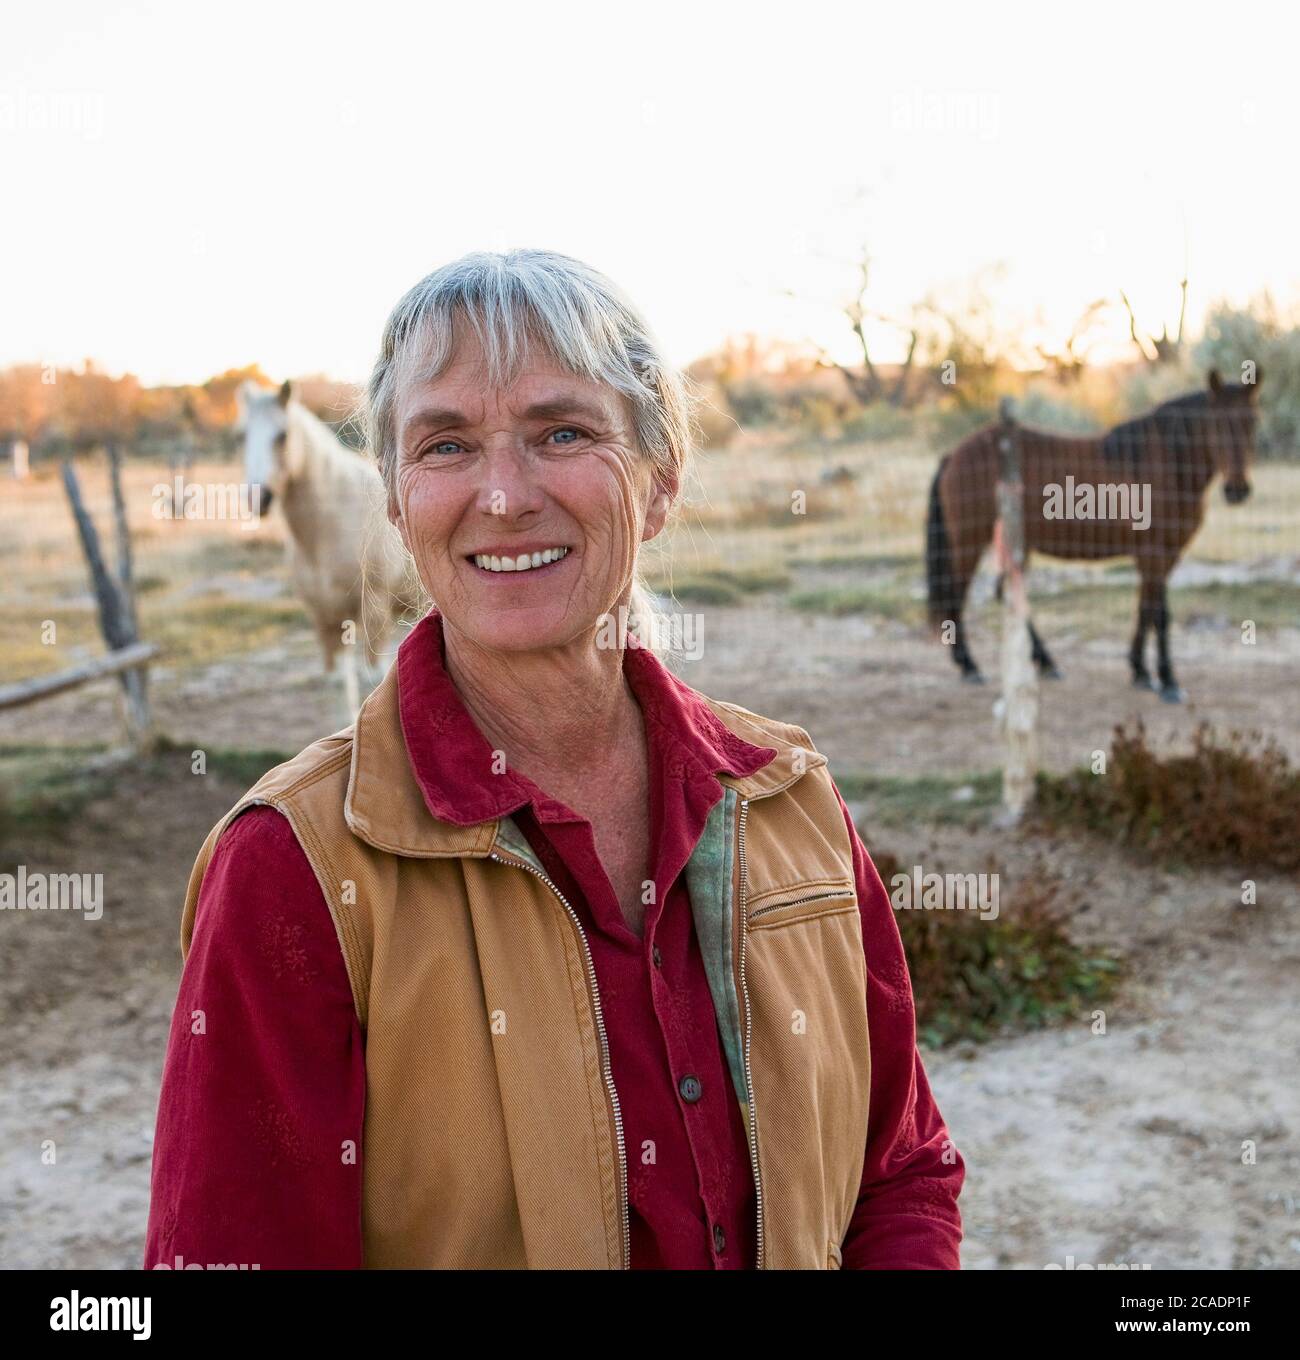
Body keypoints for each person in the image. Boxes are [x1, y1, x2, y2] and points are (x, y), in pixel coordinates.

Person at [144, 248, 964, 1269]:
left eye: (561, 432)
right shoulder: (291, 872)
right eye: (445, 445)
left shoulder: (790, 803)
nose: (502, 495)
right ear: (398, 503)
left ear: (659, 485)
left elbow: (898, 1175)